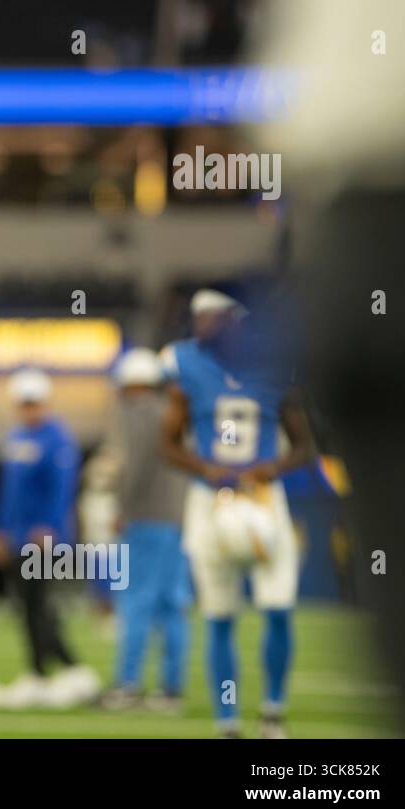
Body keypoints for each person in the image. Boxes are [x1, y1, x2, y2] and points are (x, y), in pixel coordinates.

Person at [160, 289, 316, 738]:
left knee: (278, 607)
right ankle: (227, 722)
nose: (203, 324)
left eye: (214, 316)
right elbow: (167, 443)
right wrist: (206, 468)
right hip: (211, 502)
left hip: (264, 500)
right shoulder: (185, 363)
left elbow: (304, 445)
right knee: (219, 614)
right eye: (199, 317)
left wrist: (272, 467)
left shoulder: (274, 365)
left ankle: (272, 712)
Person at [0, 368, 100, 708]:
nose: (28, 409)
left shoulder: (58, 439)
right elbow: (8, 491)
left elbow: (62, 491)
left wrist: (49, 527)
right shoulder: (15, 438)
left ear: (45, 403)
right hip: (17, 538)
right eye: (24, 403)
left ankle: (72, 670)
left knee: (40, 608)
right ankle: (38, 673)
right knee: (25, 607)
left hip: (44, 538)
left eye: (33, 402)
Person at [95, 349, 191, 712]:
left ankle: (128, 685)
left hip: (147, 518)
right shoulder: (174, 412)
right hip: (178, 519)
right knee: (172, 605)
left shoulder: (138, 412)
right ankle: (171, 690)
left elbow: (136, 466)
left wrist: (124, 507)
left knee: (135, 601)